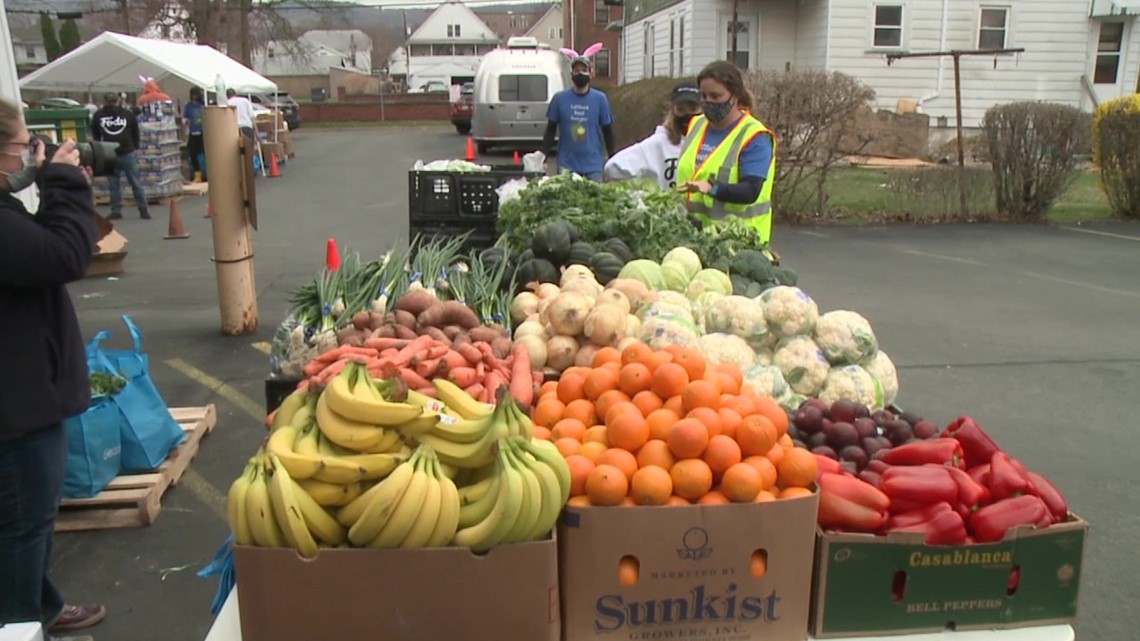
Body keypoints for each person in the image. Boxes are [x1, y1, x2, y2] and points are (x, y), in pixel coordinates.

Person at [0, 98, 108, 634]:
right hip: (16, 403)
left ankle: (38, 607)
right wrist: (65, 184)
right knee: (24, 519)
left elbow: (32, 248)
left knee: (28, 517)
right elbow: (63, 255)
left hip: (22, 391)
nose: (28, 153)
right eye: (21, 145)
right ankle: (20, 622)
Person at [676, 61, 778, 245]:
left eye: (715, 96)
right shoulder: (696, 125)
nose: (708, 102)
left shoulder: (754, 137)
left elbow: (750, 191)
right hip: (694, 241)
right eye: (704, 96)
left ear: (736, 96)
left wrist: (711, 187)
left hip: (737, 245)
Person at [603, 81, 703, 189]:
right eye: (680, 110)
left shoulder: (713, 142)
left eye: (693, 109)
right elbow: (613, 167)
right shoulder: (658, 143)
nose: (687, 115)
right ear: (672, 111)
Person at [543, 44, 615, 182]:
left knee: (594, 202)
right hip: (566, 167)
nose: (580, 73)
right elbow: (550, 130)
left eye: (584, 70)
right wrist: (543, 156)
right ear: (571, 74)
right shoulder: (559, 99)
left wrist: (613, 160)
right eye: (576, 70)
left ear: (591, 73)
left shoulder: (600, 99)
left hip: (593, 166)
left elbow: (608, 132)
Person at [90, 92, 150, 221]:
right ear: (106, 101)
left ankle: (143, 208)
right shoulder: (99, 115)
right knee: (113, 184)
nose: (112, 104)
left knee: (134, 182)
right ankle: (116, 210)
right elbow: (95, 132)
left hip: (126, 152)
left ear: (117, 101)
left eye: (113, 101)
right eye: (110, 102)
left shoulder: (127, 114)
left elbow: (135, 131)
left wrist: (135, 147)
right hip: (110, 154)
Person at [184, 87, 207, 181]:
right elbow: (186, 118)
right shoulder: (188, 106)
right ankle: (197, 175)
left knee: (206, 153)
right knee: (193, 154)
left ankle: (207, 173)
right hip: (193, 132)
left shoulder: (203, 105)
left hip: (203, 132)